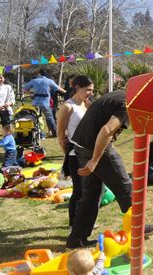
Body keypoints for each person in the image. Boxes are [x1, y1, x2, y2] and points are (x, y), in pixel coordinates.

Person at [67, 90, 153, 249]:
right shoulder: (128, 104)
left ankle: (76, 239)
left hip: (81, 146)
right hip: (94, 149)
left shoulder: (119, 95)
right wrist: (94, 160)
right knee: (126, 187)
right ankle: (139, 226)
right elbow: (106, 130)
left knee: (91, 194)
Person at [57, 76, 94, 229]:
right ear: (77, 88)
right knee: (79, 190)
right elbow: (60, 132)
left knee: (89, 190)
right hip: (74, 153)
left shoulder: (88, 104)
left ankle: (85, 221)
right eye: (88, 90)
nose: (90, 93)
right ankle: (74, 224)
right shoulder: (68, 106)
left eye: (92, 90)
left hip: (89, 152)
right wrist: (66, 150)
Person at [23, 69, 66, 138]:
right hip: (45, 103)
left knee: (34, 118)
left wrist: (31, 94)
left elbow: (25, 89)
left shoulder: (34, 80)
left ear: (39, 74)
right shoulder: (49, 81)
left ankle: (36, 133)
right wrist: (67, 92)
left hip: (35, 102)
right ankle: (54, 133)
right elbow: (59, 89)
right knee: (50, 118)